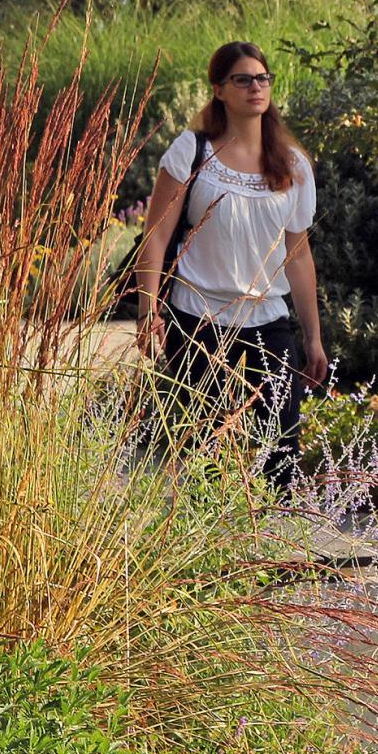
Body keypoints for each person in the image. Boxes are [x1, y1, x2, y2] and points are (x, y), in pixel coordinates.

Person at [133, 41, 330, 488]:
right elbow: (156, 235)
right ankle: (204, 554)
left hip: (268, 317)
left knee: (281, 445)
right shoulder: (192, 151)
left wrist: (314, 337)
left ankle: (276, 550)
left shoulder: (293, 165)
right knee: (201, 447)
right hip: (197, 318)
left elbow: (298, 255)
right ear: (219, 90)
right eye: (242, 79)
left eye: (262, 79)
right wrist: (149, 311)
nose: (255, 88)